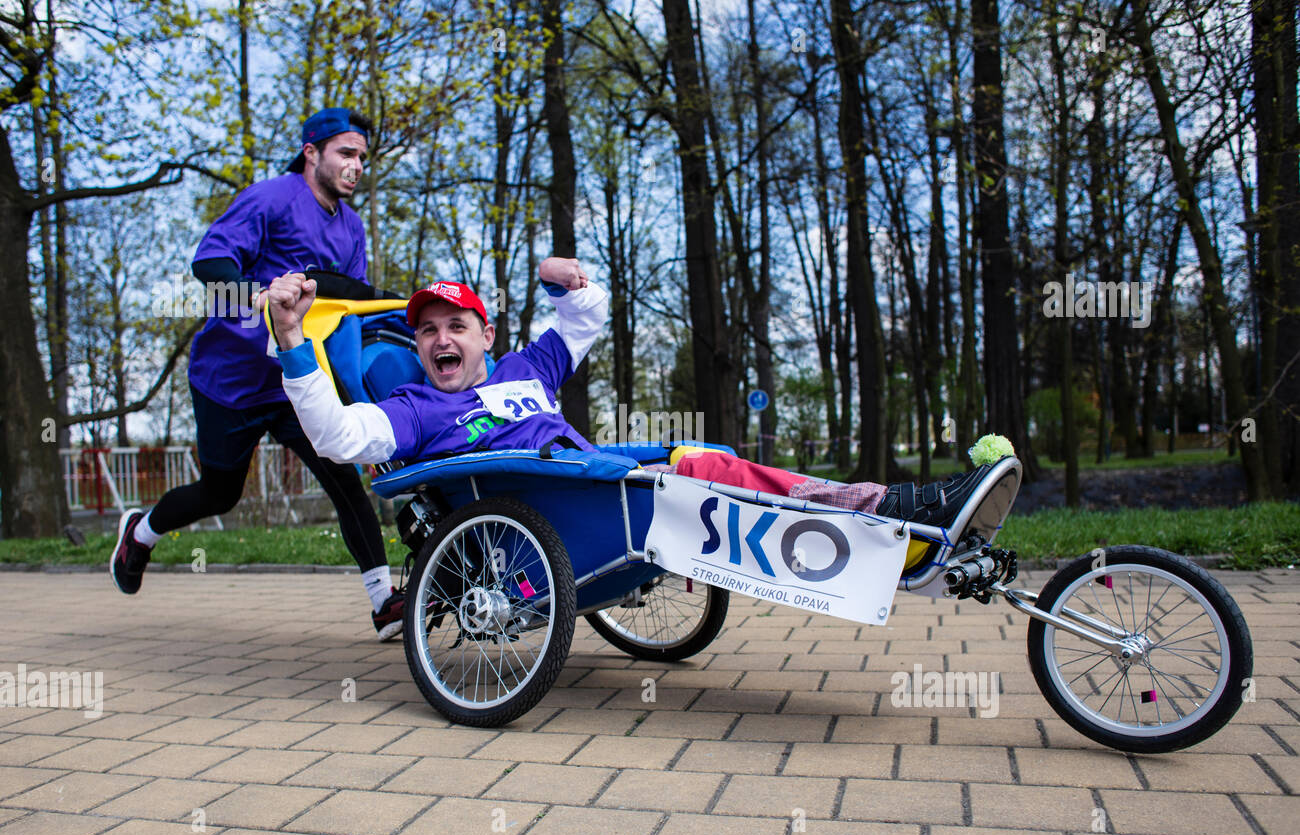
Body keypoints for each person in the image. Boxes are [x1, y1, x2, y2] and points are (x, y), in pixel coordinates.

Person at [257, 257, 992, 528]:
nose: (440, 340)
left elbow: (586, 315)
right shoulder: (419, 407)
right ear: (418, 348)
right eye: (427, 332)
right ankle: (901, 508)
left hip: (597, 486)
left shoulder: (526, 369)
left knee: (712, 452)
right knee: (717, 470)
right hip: (564, 506)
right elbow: (339, 440)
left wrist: (563, 277)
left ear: (487, 336)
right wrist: (293, 341)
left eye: (457, 326)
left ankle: (892, 523)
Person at [111, 107, 405, 640]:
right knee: (220, 494)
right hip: (230, 380)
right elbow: (210, 267)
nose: (356, 165)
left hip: (296, 381)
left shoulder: (352, 228)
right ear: (312, 152)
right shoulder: (271, 197)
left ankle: (384, 602)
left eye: (362, 156)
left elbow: (346, 311)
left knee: (342, 475)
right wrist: (261, 296)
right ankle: (142, 532)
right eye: (346, 153)